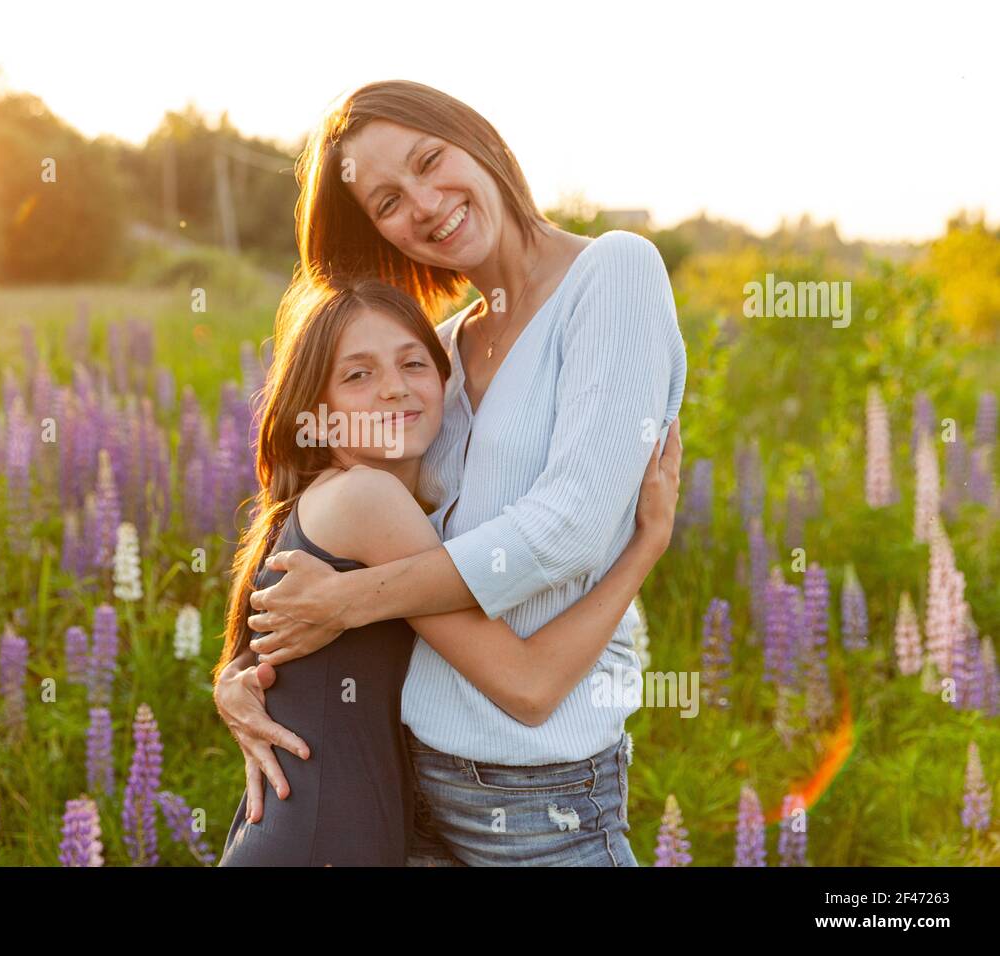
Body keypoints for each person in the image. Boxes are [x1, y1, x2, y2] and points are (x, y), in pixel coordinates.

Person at [215, 80, 688, 866]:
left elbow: (567, 530)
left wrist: (344, 605)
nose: (426, 204)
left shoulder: (614, 275)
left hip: (542, 804)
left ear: (482, 140)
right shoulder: (431, 352)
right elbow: (320, 506)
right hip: (407, 790)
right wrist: (247, 670)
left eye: (431, 161)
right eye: (389, 202)